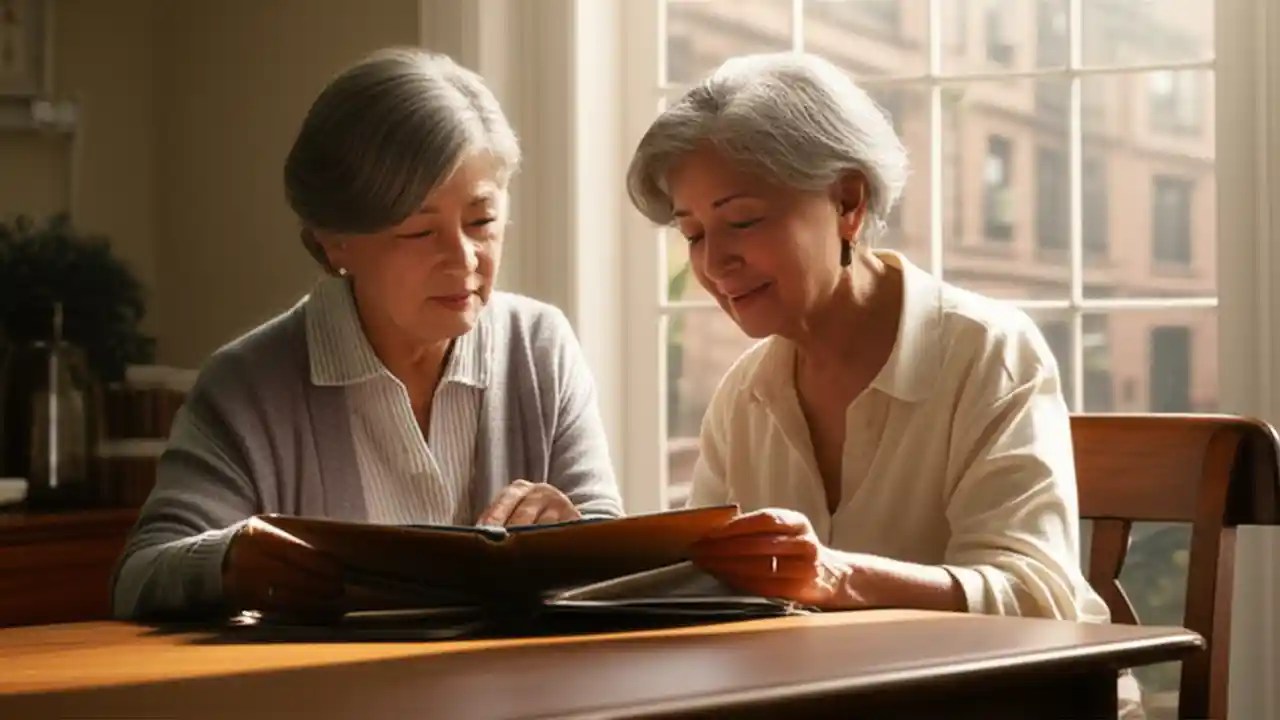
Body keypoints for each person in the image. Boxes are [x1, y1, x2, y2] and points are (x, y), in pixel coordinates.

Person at [112, 48, 623, 621]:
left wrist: (573, 531)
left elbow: (611, 547)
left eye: (481, 222)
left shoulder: (538, 347)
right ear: (335, 241)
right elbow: (142, 573)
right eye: (419, 231)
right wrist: (230, 562)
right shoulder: (249, 384)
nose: (463, 259)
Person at [627, 51, 1106, 622]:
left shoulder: (988, 351)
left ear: (847, 202)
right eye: (694, 233)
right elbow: (703, 589)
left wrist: (836, 576)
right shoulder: (744, 397)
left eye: (744, 220)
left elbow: (1038, 601)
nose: (715, 263)